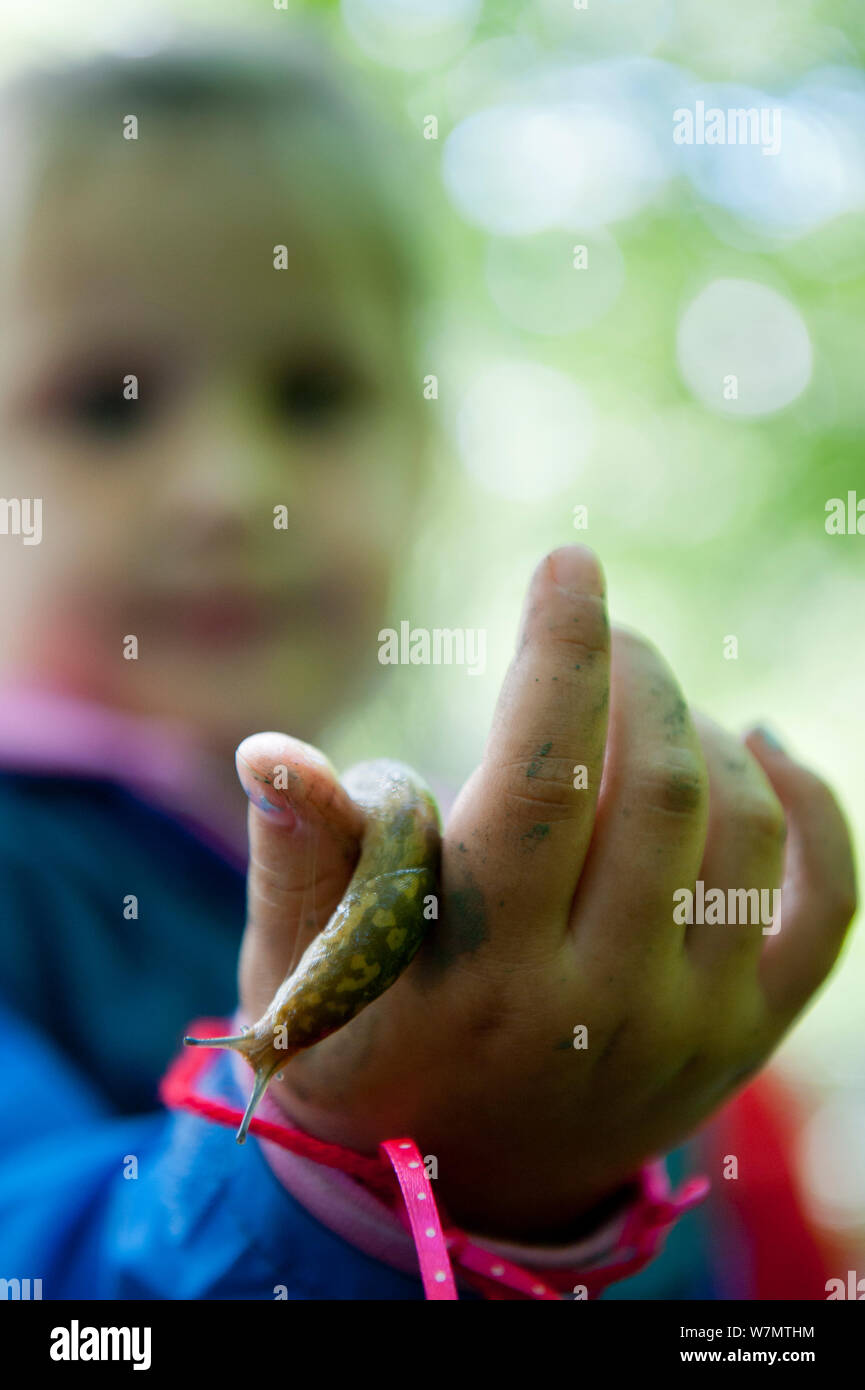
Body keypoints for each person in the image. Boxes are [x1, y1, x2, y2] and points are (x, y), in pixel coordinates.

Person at [0, 41, 856, 1300]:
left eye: (312, 396)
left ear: (424, 458)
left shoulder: (496, 915)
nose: (231, 489)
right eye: (107, 406)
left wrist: (573, 1168)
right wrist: (330, 1177)